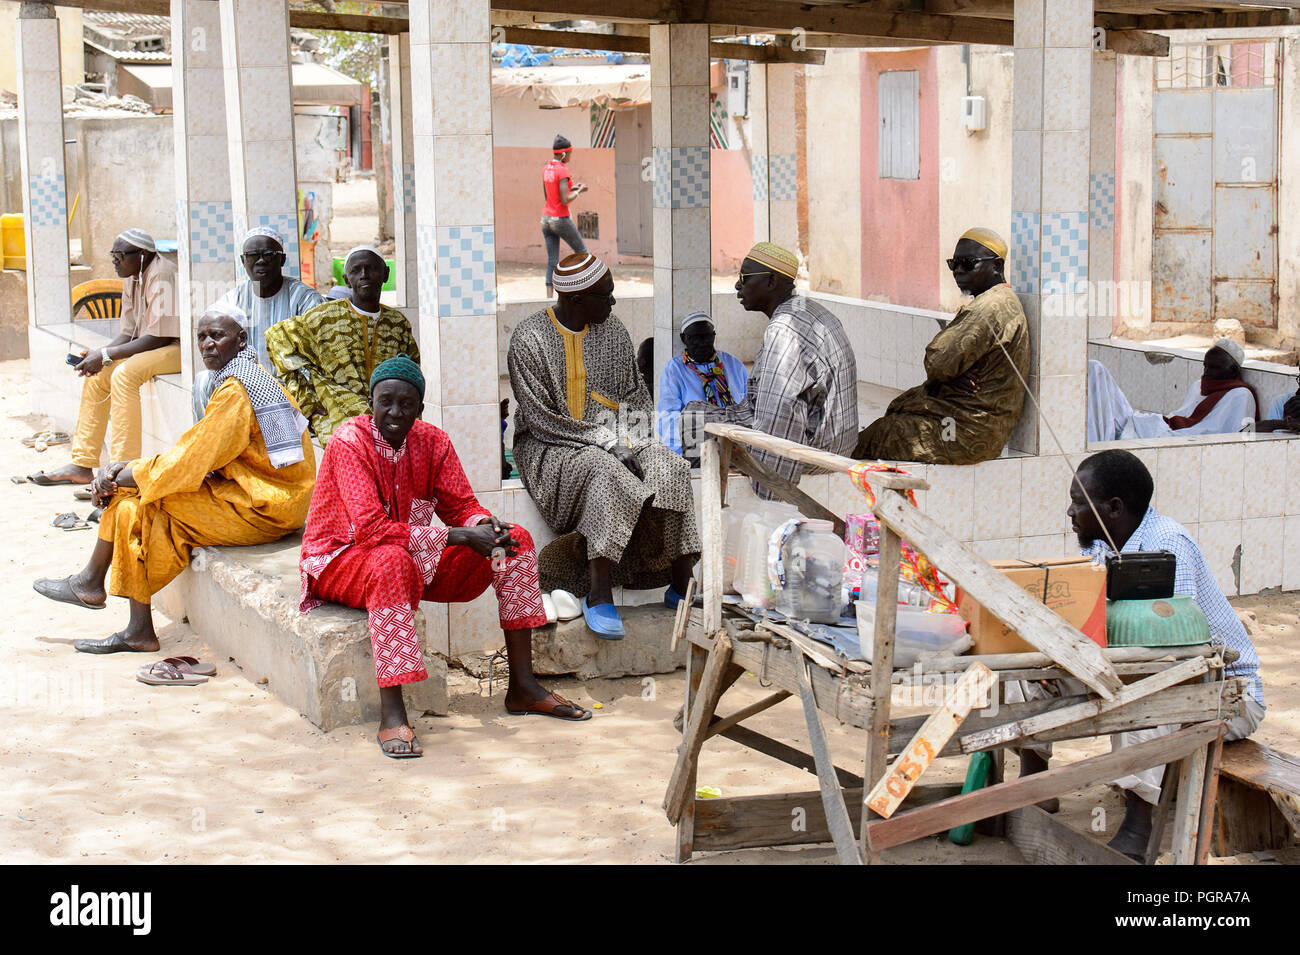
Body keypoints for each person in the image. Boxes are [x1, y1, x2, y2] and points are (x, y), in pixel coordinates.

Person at [299, 355, 590, 757]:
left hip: (409, 558)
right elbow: (371, 532)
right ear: (371, 402)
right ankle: (393, 713)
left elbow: (462, 506)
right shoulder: (349, 442)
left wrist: (484, 525)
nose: (395, 412)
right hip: (340, 561)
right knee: (389, 559)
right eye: (386, 401)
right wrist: (459, 535)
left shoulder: (433, 441)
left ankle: (523, 685)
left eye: (406, 404)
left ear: (420, 409)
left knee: (515, 539)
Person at [1018, 449, 1264, 862]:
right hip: (1135, 670)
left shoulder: (1169, 546)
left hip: (1225, 692)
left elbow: (1176, 657)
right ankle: (1033, 786)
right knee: (1032, 672)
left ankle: (1139, 825)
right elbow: (1085, 623)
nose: (1070, 512)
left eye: (1079, 503)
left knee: (1149, 697)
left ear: (1113, 508)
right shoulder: (1099, 546)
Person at [32, 306, 315, 654]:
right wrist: (127, 473)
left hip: (263, 506)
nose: (207, 344)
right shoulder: (247, 378)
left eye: (218, 336)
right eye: (201, 337)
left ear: (241, 340)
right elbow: (198, 453)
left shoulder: (237, 392)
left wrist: (121, 474)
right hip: (266, 497)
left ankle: (94, 586)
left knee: (130, 498)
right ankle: (121, 614)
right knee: (133, 507)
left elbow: (189, 461)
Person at [508, 253, 701, 638]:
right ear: (576, 299)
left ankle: (682, 583)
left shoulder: (613, 331)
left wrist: (634, 441)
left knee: (670, 467)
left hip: (619, 435)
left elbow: (635, 397)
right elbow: (543, 419)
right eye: (606, 296)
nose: (612, 304)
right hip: (552, 445)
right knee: (607, 473)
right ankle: (598, 593)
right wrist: (606, 442)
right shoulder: (528, 339)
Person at [684, 242, 857, 495]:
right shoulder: (809, 310)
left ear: (772, 281)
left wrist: (768, 492)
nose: (737, 286)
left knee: (692, 419)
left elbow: (780, 413)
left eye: (744, 278)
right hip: (839, 441)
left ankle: (708, 499)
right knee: (700, 411)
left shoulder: (785, 330)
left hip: (816, 450)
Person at [855, 229, 1029, 465]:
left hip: (965, 432)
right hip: (982, 428)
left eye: (968, 264)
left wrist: (948, 373)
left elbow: (938, 363)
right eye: (954, 264)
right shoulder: (1001, 300)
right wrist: (954, 373)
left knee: (879, 437)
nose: (958, 271)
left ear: (997, 265)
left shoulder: (988, 307)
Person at [28, 229, 181, 487]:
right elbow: (127, 332)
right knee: (99, 375)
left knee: (124, 374)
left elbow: (160, 337)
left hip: (178, 348)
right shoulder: (132, 276)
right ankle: (82, 464)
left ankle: (121, 470)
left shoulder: (161, 273)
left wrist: (107, 354)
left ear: (142, 255)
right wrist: (101, 356)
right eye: (113, 255)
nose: (114, 261)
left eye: (120, 256)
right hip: (153, 344)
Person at [265, 245, 418, 444]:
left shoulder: (397, 323)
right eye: (356, 270)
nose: (364, 275)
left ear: (386, 273)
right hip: (342, 421)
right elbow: (277, 339)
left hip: (389, 420)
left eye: (371, 268)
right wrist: (308, 400)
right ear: (346, 279)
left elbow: (412, 370)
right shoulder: (324, 317)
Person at [191, 227, 323, 420]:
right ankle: (207, 443)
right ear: (243, 261)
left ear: (282, 260)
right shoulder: (232, 301)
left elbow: (321, 355)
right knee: (203, 381)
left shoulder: (303, 299)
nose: (260, 261)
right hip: (245, 383)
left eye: (269, 255)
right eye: (252, 256)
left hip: (292, 387)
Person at [1088, 339, 1257, 442]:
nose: (1207, 372)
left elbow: (1239, 434)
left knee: (1096, 370)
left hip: (1176, 435)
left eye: (1215, 367)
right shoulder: (1198, 385)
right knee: (1094, 372)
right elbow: (1183, 415)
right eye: (1205, 366)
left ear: (1233, 371)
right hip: (1161, 425)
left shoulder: (1240, 394)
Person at [658, 310, 749, 459]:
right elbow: (667, 418)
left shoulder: (733, 364)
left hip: (737, 441)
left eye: (706, 337)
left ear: (713, 336)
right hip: (697, 446)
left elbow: (749, 405)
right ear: (683, 339)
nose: (701, 343)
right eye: (694, 338)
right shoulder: (674, 369)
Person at [541, 134, 589, 296]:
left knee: (552, 261)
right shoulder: (562, 170)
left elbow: (549, 197)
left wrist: (574, 189)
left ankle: (548, 298)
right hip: (560, 220)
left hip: (546, 219)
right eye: (569, 153)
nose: (570, 156)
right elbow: (565, 199)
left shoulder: (547, 168)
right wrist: (579, 191)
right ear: (563, 154)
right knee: (583, 254)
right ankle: (585, 290)